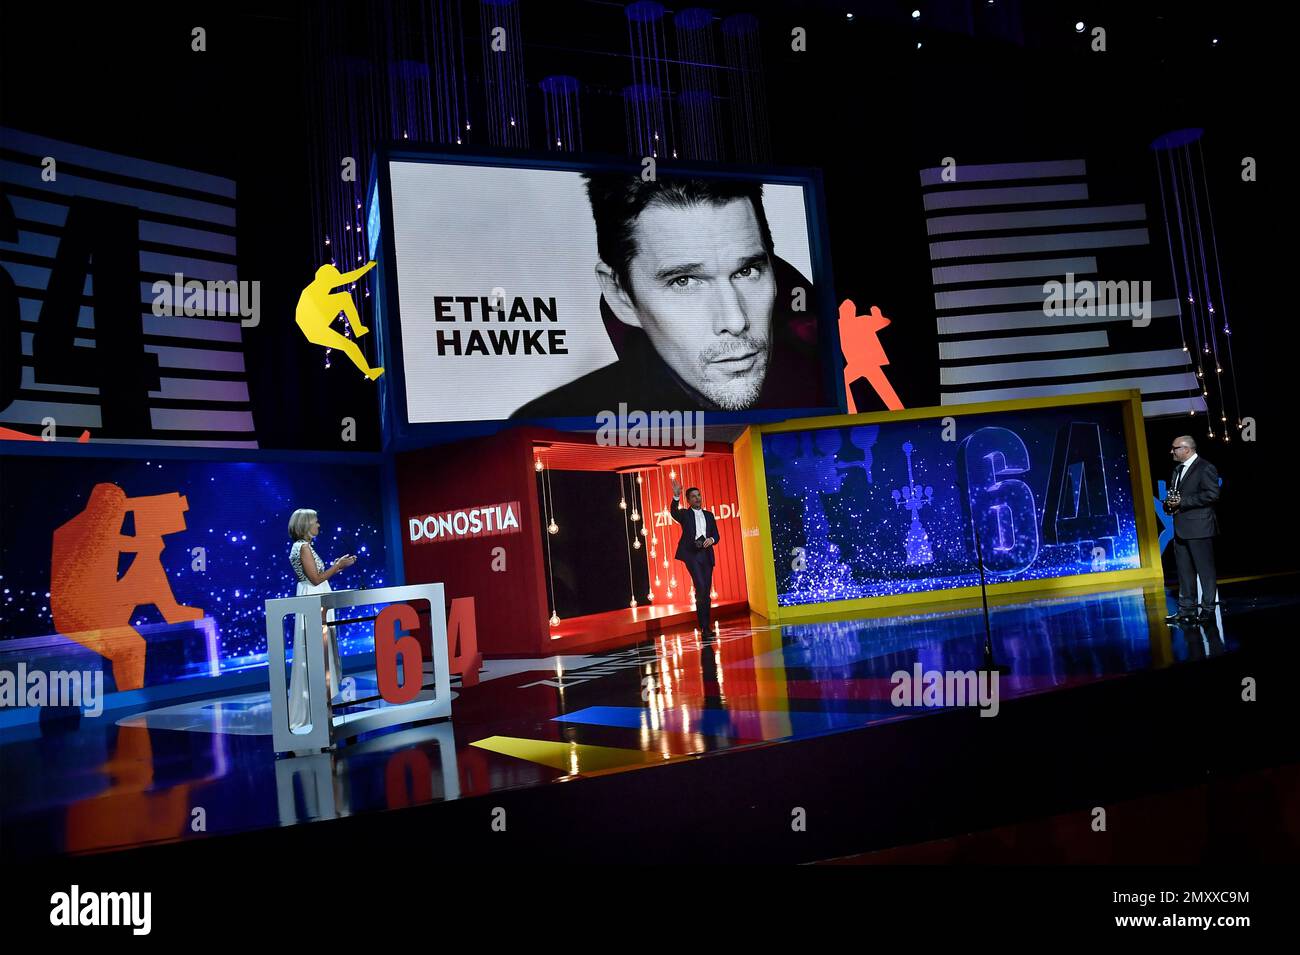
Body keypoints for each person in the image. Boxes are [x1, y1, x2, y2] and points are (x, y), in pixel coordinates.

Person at [511, 174, 824, 418]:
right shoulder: (553, 424)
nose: (734, 320)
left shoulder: (837, 383)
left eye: (747, 272)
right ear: (620, 295)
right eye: (685, 281)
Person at [286, 508, 356, 731]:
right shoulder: (303, 547)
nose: (318, 526)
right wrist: (338, 566)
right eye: (315, 522)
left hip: (314, 596)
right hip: (313, 599)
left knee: (319, 652)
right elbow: (316, 579)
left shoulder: (303, 547)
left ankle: (322, 707)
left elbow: (314, 576)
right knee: (318, 653)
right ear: (306, 525)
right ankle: (319, 708)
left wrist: (335, 565)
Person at [1162, 436, 1220, 624]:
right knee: (1184, 571)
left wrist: (1183, 502)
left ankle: (1208, 610)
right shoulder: (1177, 470)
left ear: (1186, 449)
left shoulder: (1205, 467)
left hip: (1199, 527)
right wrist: (1169, 505)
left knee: (1205, 571)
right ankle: (1186, 610)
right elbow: (1176, 494)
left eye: (1175, 448)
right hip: (1181, 528)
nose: (1172, 451)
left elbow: (1212, 494)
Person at [294, 261, 383, 380]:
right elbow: (300, 317)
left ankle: (359, 332)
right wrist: (367, 267)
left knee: (344, 299)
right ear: (325, 278)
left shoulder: (320, 286)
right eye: (332, 279)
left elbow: (348, 278)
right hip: (313, 326)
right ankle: (369, 369)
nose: (334, 283)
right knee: (349, 345)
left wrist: (367, 267)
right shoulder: (312, 291)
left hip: (315, 321)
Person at [669, 477, 720, 635]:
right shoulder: (685, 514)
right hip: (692, 555)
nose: (697, 498)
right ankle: (704, 627)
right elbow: (673, 512)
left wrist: (711, 540)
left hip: (706, 555)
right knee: (701, 587)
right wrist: (676, 496)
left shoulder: (709, 515)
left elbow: (716, 536)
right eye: (693, 496)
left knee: (706, 592)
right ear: (689, 500)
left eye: (699, 495)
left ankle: (706, 626)